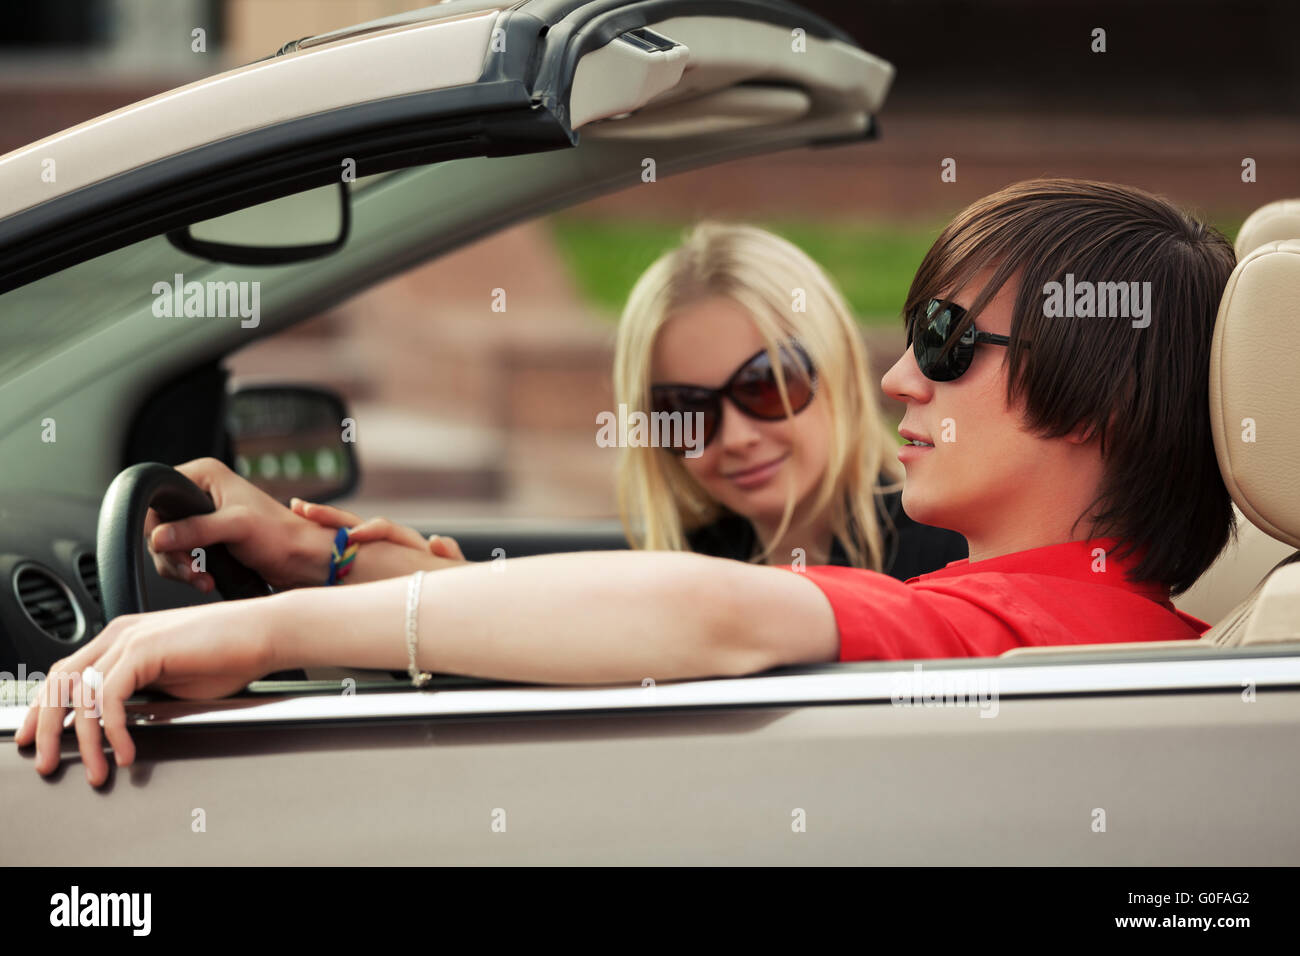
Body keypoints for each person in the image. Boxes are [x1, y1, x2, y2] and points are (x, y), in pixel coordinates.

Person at [17, 178, 1238, 788]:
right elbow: (664, 596)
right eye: (680, 408)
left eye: (949, 342)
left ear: (1106, 402)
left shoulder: (1006, 624)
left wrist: (263, 626)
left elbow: (701, 611)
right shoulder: (1111, 615)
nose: (899, 377)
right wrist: (323, 559)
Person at [290, 222, 965, 577]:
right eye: (685, 411)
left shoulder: (949, 546)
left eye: (767, 384)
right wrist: (433, 581)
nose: (732, 436)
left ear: (840, 365)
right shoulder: (694, 561)